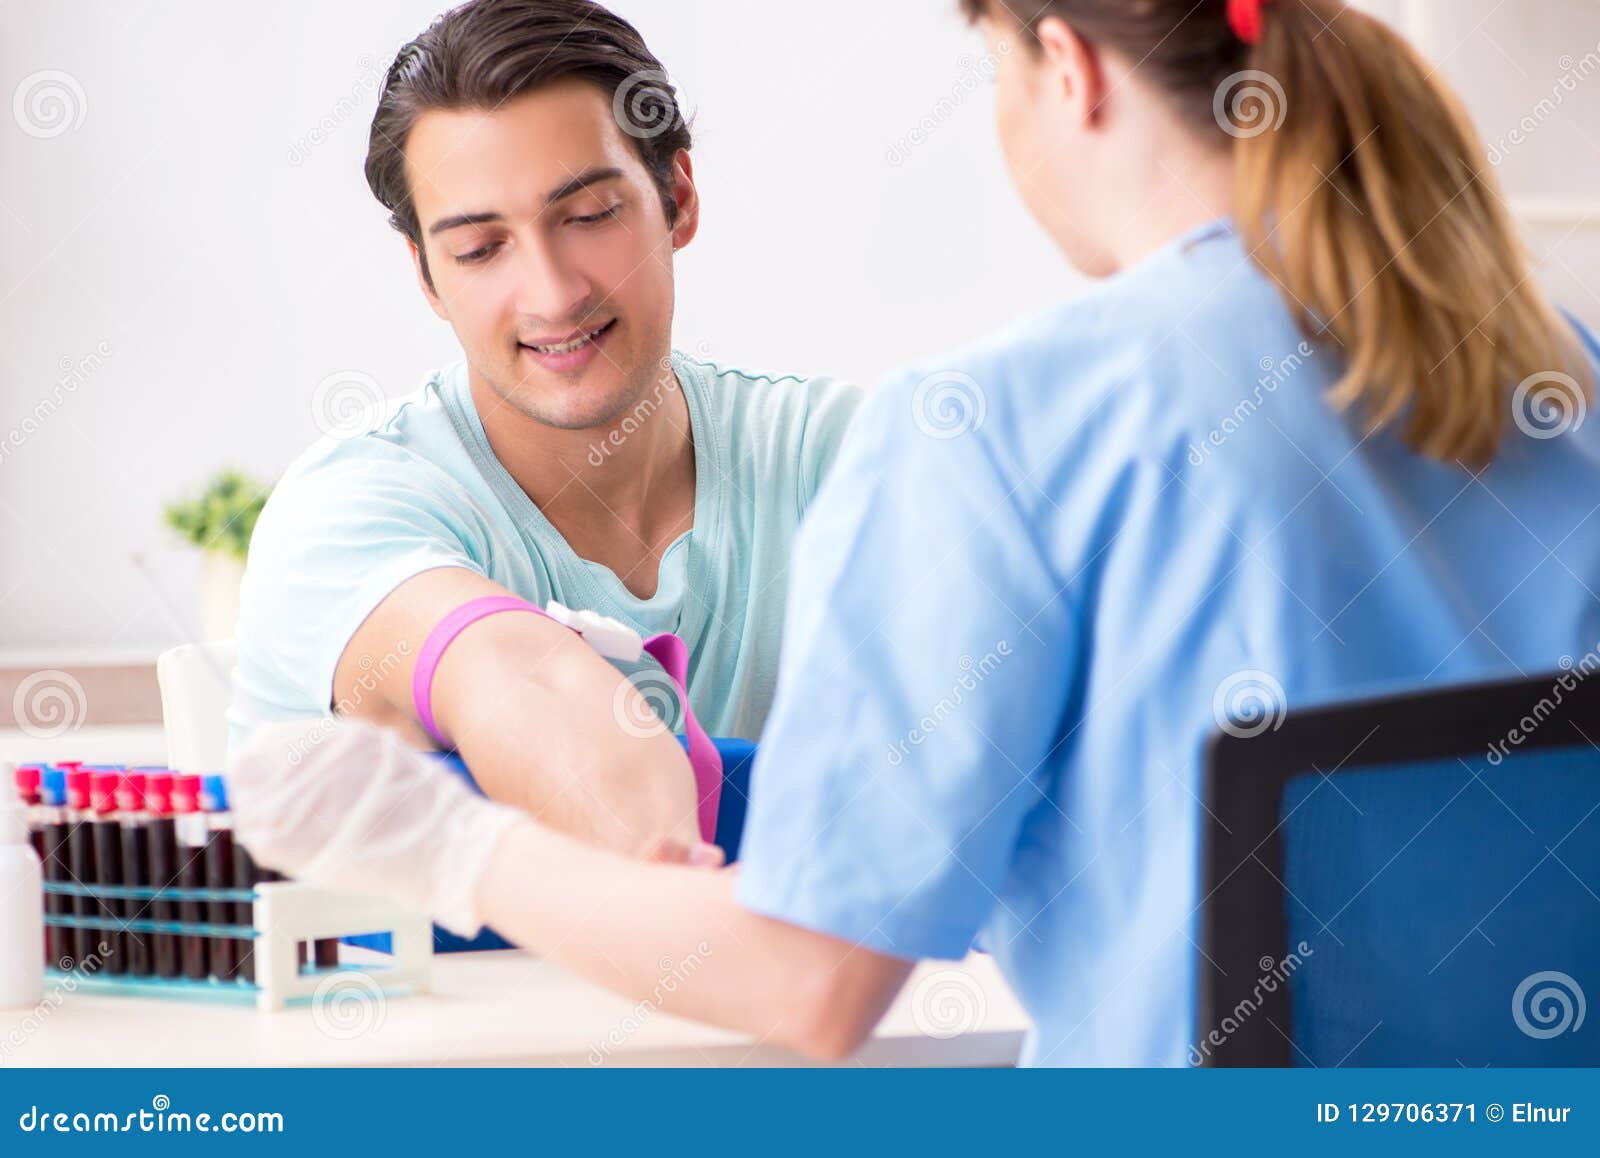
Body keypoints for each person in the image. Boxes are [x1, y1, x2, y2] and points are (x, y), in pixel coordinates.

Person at [229, 0, 1600, 1065]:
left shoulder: (998, 429)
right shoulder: (1559, 371)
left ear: (1065, 67)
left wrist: (452, 844)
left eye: (994, 72)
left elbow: (810, 983)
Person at [227, 0, 860, 858]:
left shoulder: (834, 458)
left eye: (590, 215)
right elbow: (511, 680)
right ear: (427, 276)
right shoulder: (346, 513)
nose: (554, 293)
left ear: (675, 197)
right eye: (481, 248)